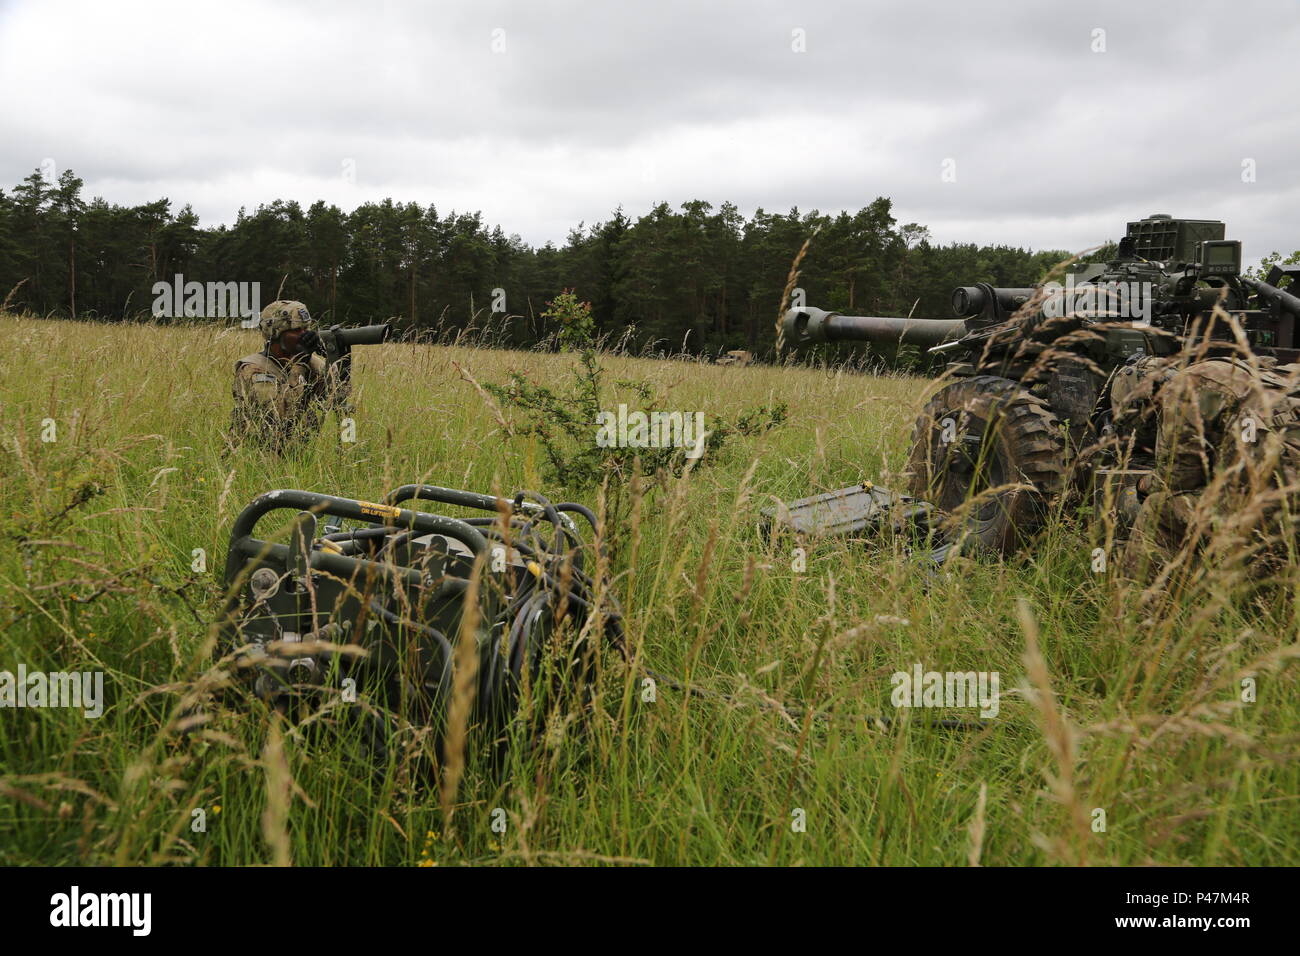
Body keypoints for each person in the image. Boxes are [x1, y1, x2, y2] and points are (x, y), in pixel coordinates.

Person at [1111, 352, 1300, 579]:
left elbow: (1176, 479)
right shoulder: (1253, 370)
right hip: (1287, 488)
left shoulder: (1181, 390)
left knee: (1158, 510)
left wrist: (1142, 484)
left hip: (1283, 502)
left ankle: (1145, 605)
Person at [229, 300, 348, 453]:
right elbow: (277, 416)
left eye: (306, 328)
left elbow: (338, 395)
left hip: (297, 456)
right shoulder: (253, 369)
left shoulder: (308, 361)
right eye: (297, 330)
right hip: (255, 456)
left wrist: (336, 360)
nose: (305, 334)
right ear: (276, 333)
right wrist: (299, 365)